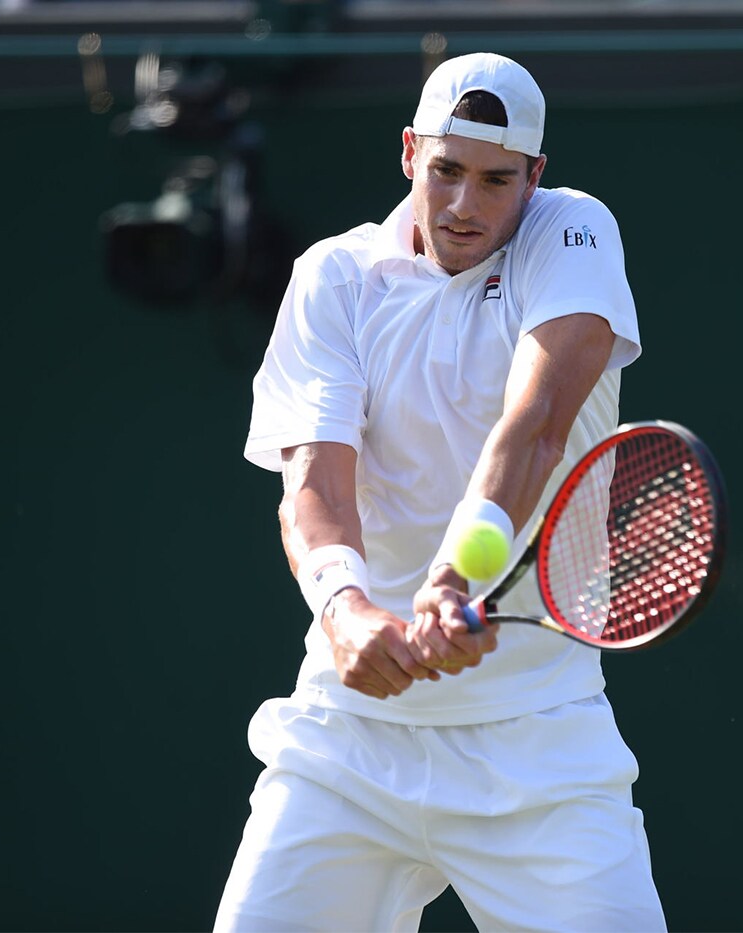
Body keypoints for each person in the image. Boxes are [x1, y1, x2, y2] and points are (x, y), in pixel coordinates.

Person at [216, 52, 667, 931]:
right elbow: (313, 481)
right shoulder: (334, 277)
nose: (465, 205)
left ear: (536, 177)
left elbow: (534, 428)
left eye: (497, 180)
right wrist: (345, 608)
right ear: (408, 153)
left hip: (539, 742)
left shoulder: (574, 232)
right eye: (446, 171)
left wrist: (456, 576)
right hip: (347, 741)